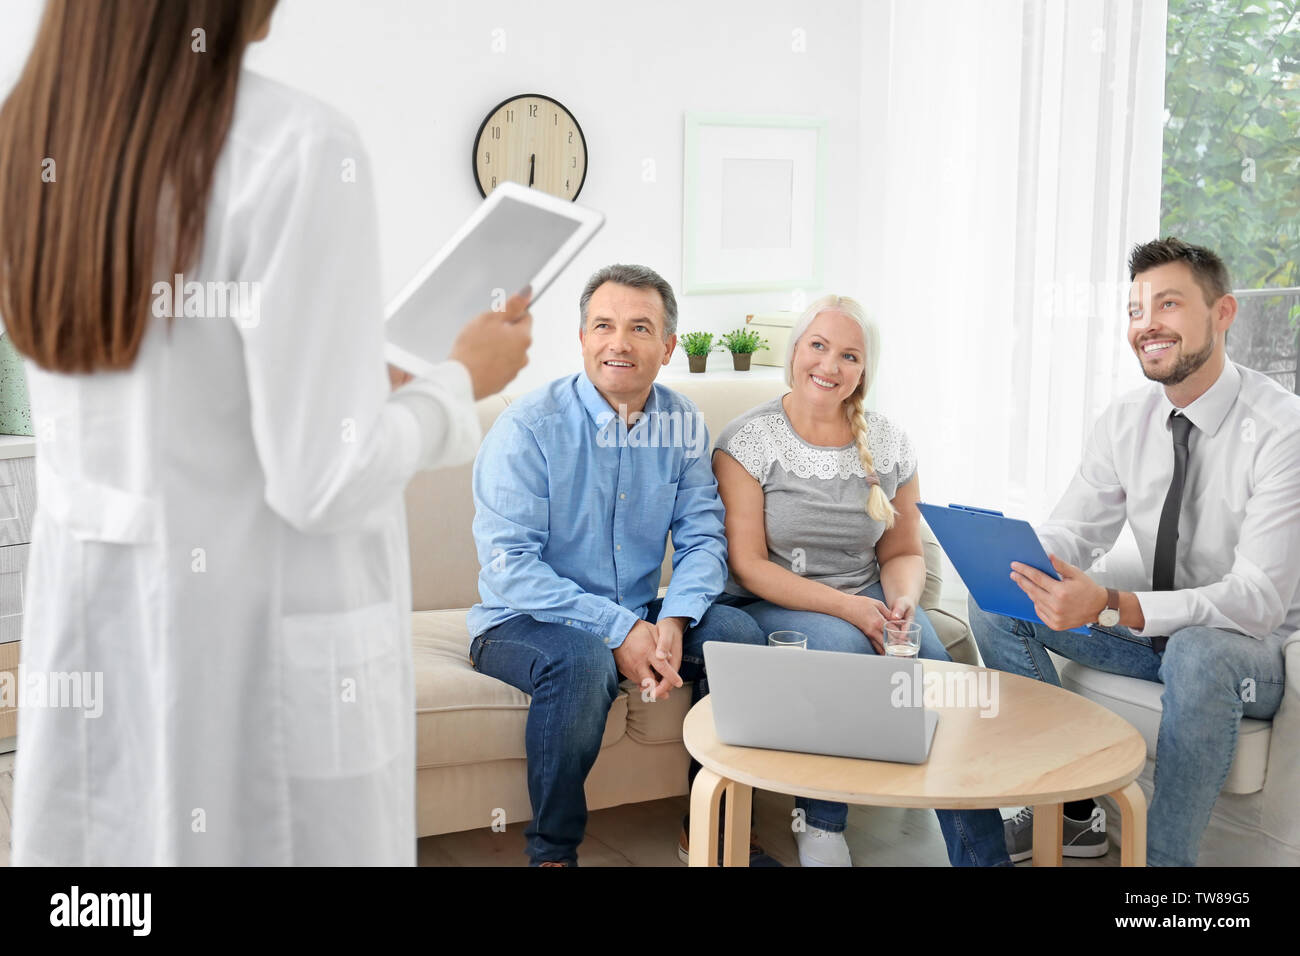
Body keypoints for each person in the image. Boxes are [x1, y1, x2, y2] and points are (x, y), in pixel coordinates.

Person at [0, 1, 531, 865]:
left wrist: (355, 377)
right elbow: (321, 480)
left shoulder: (27, 143)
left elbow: (171, 395)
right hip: (254, 653)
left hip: (101, 633)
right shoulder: (295, 146)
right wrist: (462, 380)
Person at [970, 237, 1299, 867]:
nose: (1147, 325)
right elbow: (1074, 532)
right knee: (996, 604)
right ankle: (1073, 813)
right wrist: (1014, 560)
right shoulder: (1127, 420)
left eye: (1168, 304)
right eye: (1135, 310)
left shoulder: (1283, 429)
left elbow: (1256, 601)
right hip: (1155, 638)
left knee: (1201, 651)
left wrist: (1117, 605)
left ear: (1223, 313)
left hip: (1253, 654)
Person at [467, 263, 775, 867]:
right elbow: (510, 567)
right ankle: (552, 854)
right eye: (603, 325)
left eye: (640, 328)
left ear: (667, 348)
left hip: (638, 610)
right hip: (521, 619)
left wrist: (674, 623)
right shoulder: (528, 428)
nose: (619, 342)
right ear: (582, 338)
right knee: (583, 659)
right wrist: (619, 631)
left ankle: (712, 830)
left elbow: (702, 539)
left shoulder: (682, 422)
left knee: (738, 636)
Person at [712, 294, 1011, 867]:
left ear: (864, 370)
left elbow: (901, 550)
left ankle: (983, 857)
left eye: (849, 355)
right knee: (846, 652)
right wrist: (851, 611)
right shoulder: (748, 441)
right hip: (771, 600)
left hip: (870, 594)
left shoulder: (890, 443)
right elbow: (749, 564)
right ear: (795, 351)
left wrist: (901, 603)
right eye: (818, 346)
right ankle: (821, 825)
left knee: (940, 681)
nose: (829, 365)